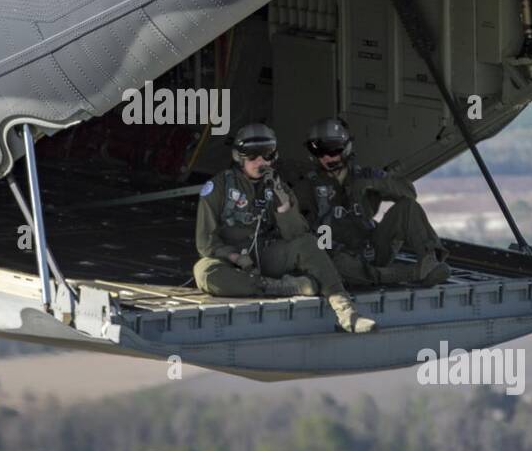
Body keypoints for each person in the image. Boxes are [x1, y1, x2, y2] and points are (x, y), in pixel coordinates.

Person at [193, 123, 376, 333]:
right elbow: (206, 243)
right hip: (231, 260)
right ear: (239, 157)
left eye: (267, 155)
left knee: (308, 243)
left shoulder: (278, 187)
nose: (260, 162)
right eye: (253, 156)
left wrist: (284, 205)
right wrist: (234, 257)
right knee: (205, 273)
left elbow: (297, 234)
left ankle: (347, 313)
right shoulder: (218, 188)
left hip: (267, 253)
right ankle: (280, 286)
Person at [292, 117, 451, 288]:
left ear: (346, 148)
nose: (327, 157)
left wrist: (372, 185)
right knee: (333, 265)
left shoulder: (365, 175)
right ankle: (412, 273)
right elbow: (294, 226)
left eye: (333, 150)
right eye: (320, 152)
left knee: (408, 207)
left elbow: (408, 192)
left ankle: (432, 263)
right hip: (339, 258)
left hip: (373, 248)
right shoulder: (307, 186)